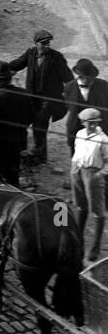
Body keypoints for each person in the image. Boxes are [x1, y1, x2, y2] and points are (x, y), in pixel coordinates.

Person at [7, 29, 73, 166]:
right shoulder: (30, 53)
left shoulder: (56, 57)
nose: (47, 46)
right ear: (36, 44)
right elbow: (18, 63)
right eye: (43, 43)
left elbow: (68, 78)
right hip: (31, 97)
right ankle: (23, 152)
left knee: (40, 126)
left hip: (47, 100)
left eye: (48, 43)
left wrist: (69, 95)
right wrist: (4, 68)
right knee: (22, 123)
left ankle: (39, 157)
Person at [70, 109, 108, 263]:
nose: (92, 126)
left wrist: (100, 175)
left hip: (93, 174)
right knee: (80, 206)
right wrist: (73, 168)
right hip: (77, 171)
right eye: (89, 123)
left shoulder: (103, 139)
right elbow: (77, 151)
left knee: (97, 210)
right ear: (83, 122)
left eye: (95, 123)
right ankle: (78, 238)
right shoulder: (79, 134)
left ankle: (95, 246)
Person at [63, 60, 108, 155]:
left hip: (99, 128)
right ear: (79, 76)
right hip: (76, 127)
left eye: (91, 78)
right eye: (86, 77)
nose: (90, 80)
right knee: (76, 156)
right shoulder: (69, 87)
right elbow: (69, 107)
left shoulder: (103, 85)